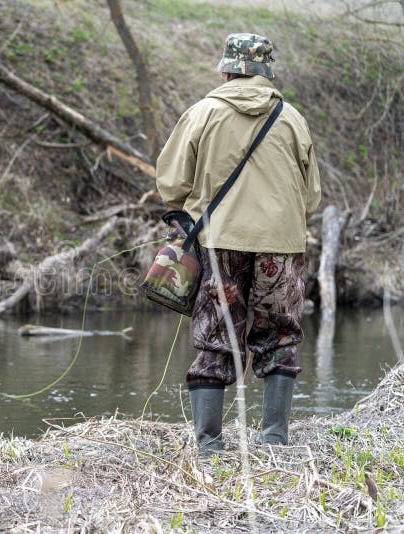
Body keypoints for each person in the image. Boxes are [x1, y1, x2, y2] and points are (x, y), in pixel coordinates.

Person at [155, 33, 321, 453]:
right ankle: (274, 440)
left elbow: (171, 185)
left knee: (216, 336)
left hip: (218, 240)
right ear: (267, 72)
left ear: (227, 69)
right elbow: (313, 197)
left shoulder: (202, 113)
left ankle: (210, 446)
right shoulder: (292, 119)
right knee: (280, 336)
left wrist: (189, 206)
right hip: (280, 245)